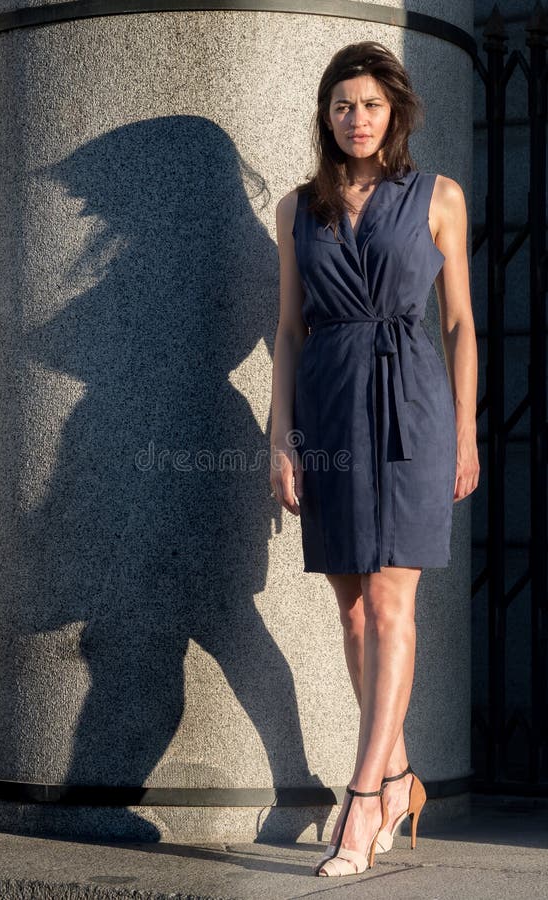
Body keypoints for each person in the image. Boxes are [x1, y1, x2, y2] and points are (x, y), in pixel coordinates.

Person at [269, 41, 479, 878]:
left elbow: (459, 322)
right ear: (326, 114)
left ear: (396, 113)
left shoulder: (440, 197)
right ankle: (398, 777)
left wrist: (464, 432)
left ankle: (358, 802)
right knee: (351, 612)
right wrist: (280, 436)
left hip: (414, 412)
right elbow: (289, 330)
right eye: (342, 105)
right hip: (328, 404)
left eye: (372, 105)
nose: (357, 119)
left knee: (394, 605)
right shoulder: (297, 208)